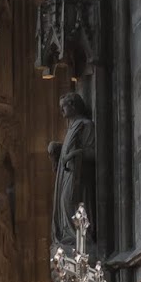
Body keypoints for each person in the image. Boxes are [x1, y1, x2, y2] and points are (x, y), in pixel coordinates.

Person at [49, 93, 96, 246]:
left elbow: (93, 152)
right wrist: (58, 148)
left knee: (69, 201)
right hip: (66, 175)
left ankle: (79, 239)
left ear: (73, 105)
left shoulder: (85, 125)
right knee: (63, 205)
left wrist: (73, 155)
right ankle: (69, 237)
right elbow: (69, 149)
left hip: (77, 175)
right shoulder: (71, 128)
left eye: (64, 106)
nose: (61, 110)